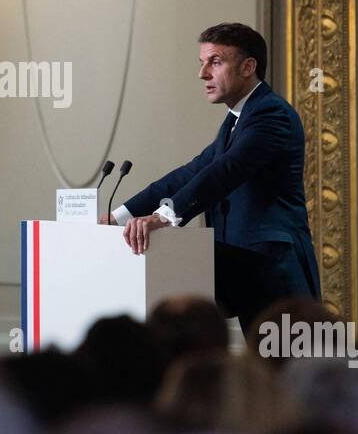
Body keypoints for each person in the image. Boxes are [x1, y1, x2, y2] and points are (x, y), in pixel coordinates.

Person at [101, 23, 320, 326]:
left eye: (215, 62)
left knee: (295, 367)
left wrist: (166, 216)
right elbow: (190, 174)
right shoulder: (235, 121)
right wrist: (119, 217)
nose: (202, 73)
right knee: (266, 368)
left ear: (248, 66)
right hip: (246, 268)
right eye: (202, 63)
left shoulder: (272, 114)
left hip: (275, 267)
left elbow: (225, 171)